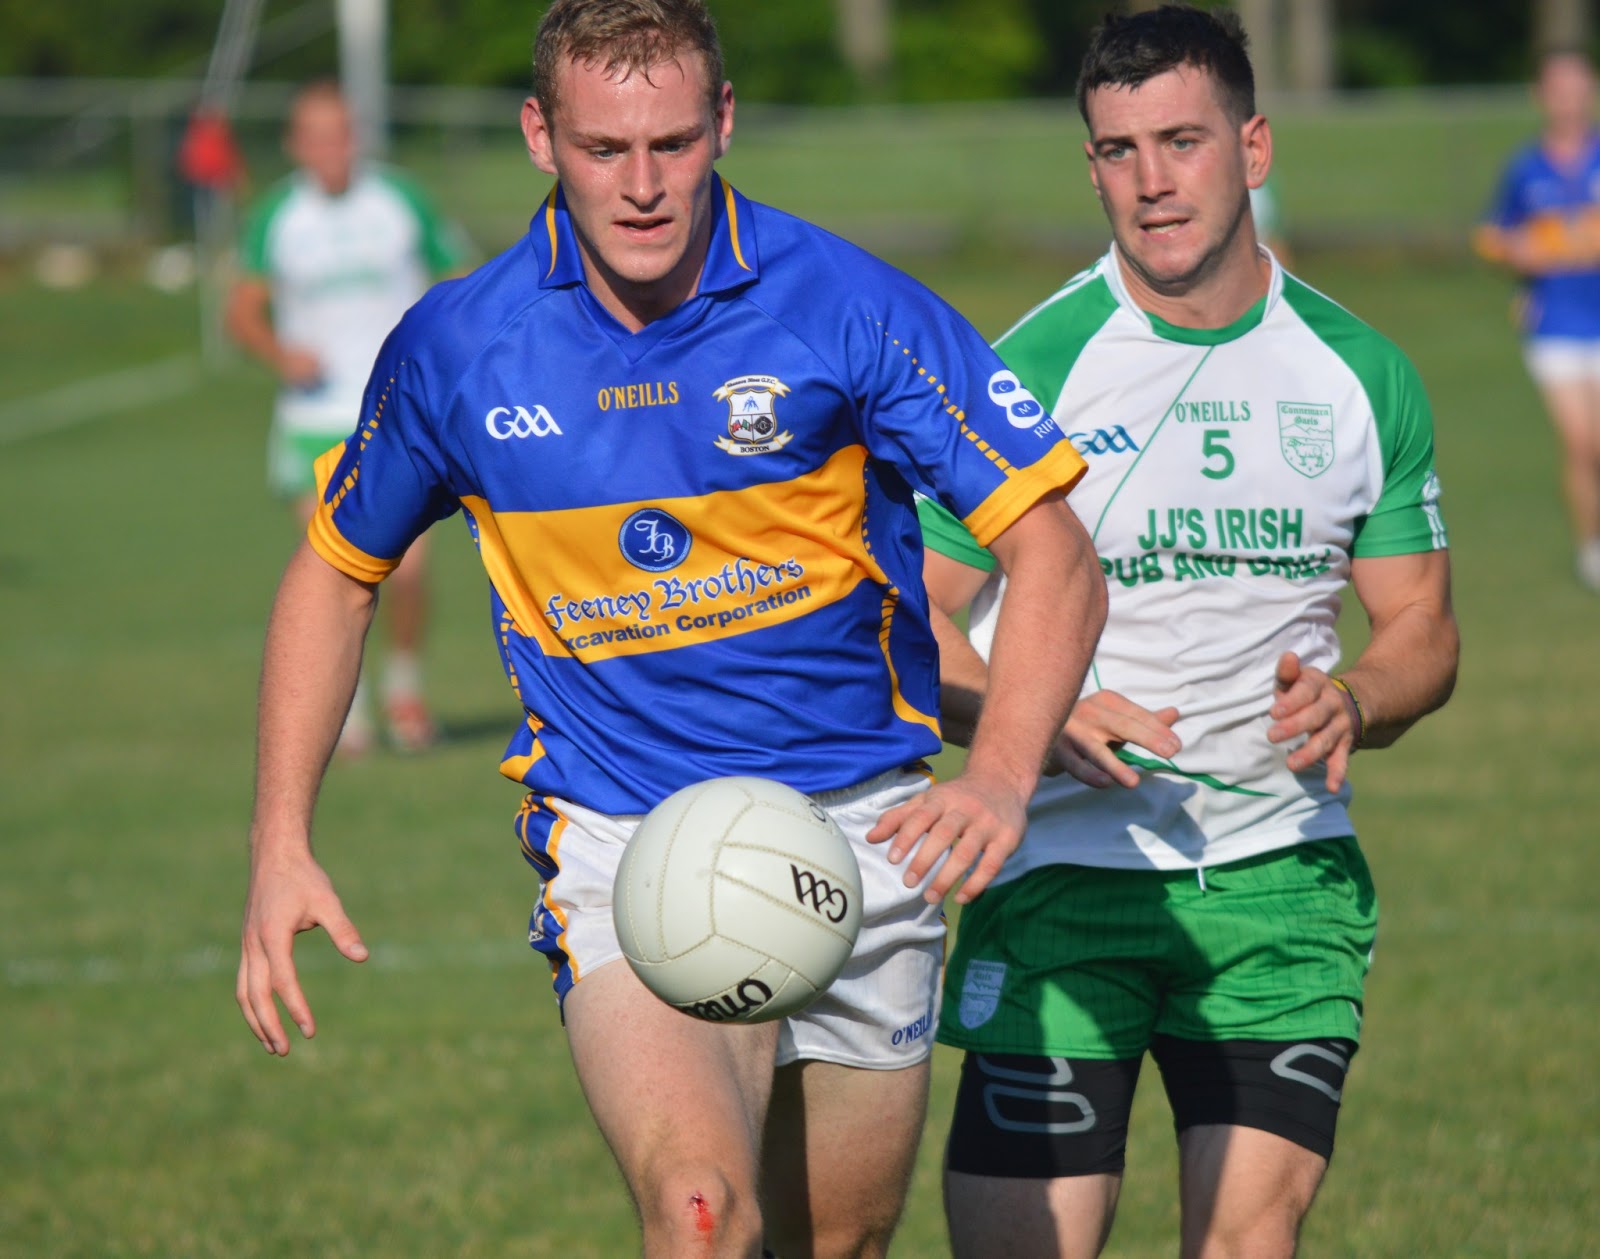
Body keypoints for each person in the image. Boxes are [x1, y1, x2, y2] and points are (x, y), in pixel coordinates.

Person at [235, 3, 1106, 1256]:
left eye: (672, 144)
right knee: (697, 1213)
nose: (641, 185)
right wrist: (280, 840)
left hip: (866, 832)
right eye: (603, 148)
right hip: (622, 836)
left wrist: (1004, 773)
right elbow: (334, 572)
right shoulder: (460, 345)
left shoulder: (844, 304)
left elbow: (1053, 550)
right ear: (540, 135)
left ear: (724, 123)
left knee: (838, 1239)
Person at [919, 8, 1459, 1258]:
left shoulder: (1360, 372)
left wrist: (1359, 697)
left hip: (1281, 878)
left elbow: (1422, 622)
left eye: (1182, 141)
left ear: (1252, 147)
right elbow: (906, 618)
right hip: (1059, 875)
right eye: (1118, 151)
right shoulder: (1029, 371)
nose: (1151, 181)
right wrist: (1035, 720)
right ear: (1091, 167)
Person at [226, 81, 469, 754]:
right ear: (294, 145)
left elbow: (458, 280)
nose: (329, 148)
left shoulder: (400, 200)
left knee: (408, 570)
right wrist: (281, 353)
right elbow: (241, 310)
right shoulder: (278, 216)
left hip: (398, 414)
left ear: (355, 137)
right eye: (315, 137)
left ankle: (405, 690)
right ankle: (349, 709)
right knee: (333, 575)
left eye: (339, 134)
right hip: (314, 418)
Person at [1475, 49, 1600, 591]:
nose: (1568, 98)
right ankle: (1591, 551)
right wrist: (1515, 252)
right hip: (1555, 326)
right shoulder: (1525, 168)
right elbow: (1491, 235)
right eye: (1558, 88)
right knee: (1581, 442)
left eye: (1577, 86)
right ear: (1540, 96)